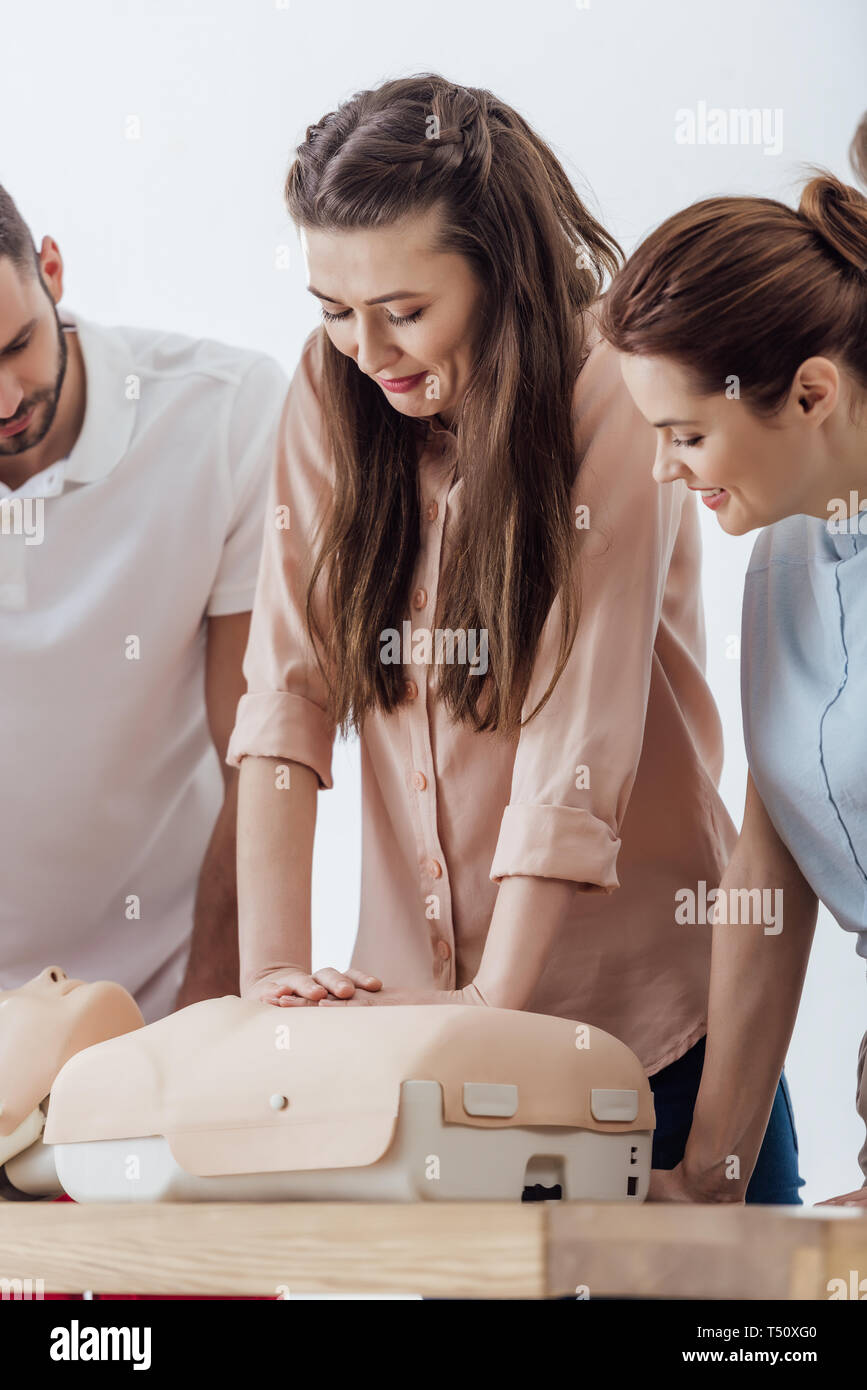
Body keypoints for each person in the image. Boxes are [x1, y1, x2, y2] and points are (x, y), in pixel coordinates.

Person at [227, 74, 802, 1202]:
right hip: (424, 1061)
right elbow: (285, 696)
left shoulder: (613, 389)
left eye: (404, 308)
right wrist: (270, 986)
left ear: (500, 268)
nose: (367, 347)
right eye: (334, 309)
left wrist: (494, 1005)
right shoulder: (327, 389)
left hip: (649, 1040)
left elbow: (574, 736)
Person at [598, 115, 867, 1206]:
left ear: (811, 394)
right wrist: (711, 1170)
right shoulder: (783, 554)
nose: (664, 470)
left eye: (688, 434)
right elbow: (775, 863)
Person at [0, 188, 288, 1021]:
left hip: (161, 993)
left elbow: (257, 752)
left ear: (51, 270)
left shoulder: (224, 415)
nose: (6, 402)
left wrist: (207, 1011)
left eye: (17, 344)